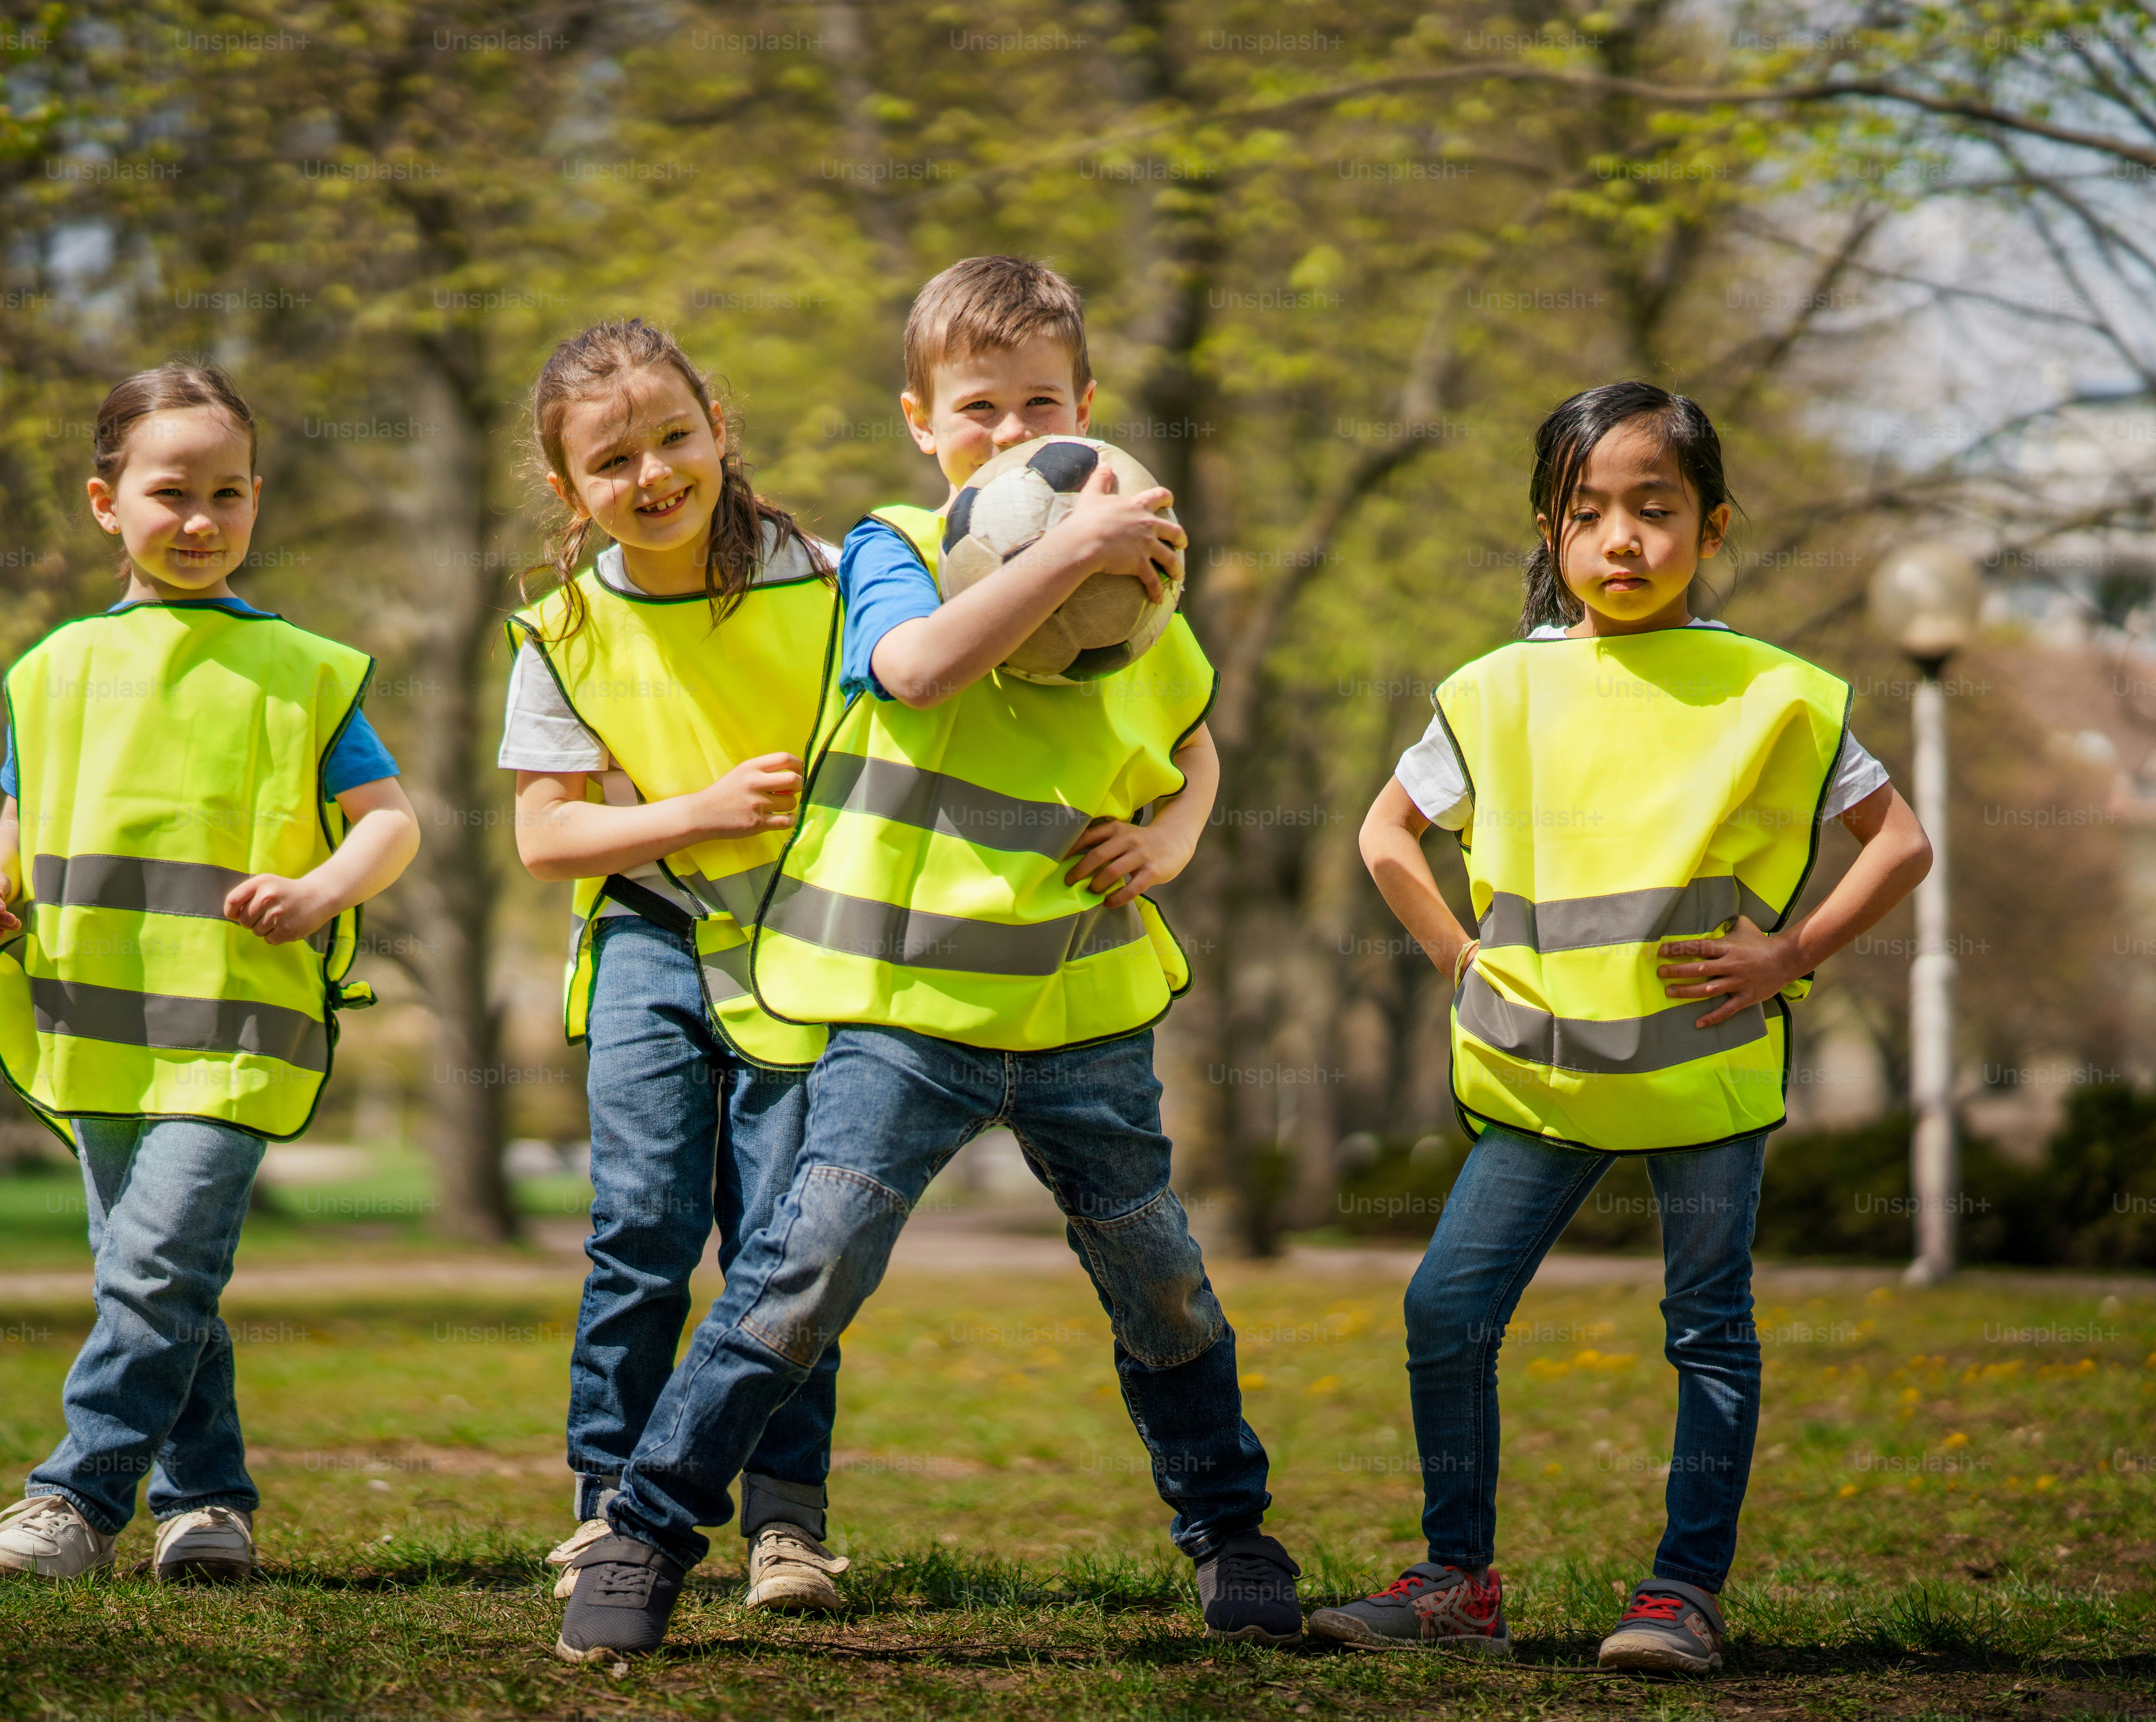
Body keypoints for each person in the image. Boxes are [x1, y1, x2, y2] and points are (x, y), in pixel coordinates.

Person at [552, 257, 1305, 1660]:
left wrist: (1179, 838)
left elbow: (1192, 732)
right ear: (919, 419)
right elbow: (912, 671)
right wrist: (1070, 554)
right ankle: (649, 1528)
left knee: (1159, 1283)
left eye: (1039, 405)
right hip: (905, 1014)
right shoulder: (891, 545)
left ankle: (1230, 1530)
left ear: (1087, 408)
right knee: (800, 1265)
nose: (1010, 437)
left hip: (1081, 1006)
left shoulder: (1140, 556)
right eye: (976, 409)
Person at [1310, 380, 1933, 1673]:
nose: (1621, 539)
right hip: (1540, 1074)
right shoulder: (1492, 693)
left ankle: (1679, 1596)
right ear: (1548, 535)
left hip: (1703, 1068)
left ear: (1712, 528)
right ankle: (1453, 1586)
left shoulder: (1776, 693)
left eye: (1654, 510)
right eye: (1584, 512)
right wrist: (1453, 954)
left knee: (1705, 1328)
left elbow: (1901, 843)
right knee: (1445, 1311)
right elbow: (1383, 833)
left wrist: (1790, 954)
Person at [0, 359, 419, 1587]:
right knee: (156, 1274)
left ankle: (75, 1498)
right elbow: (20, 815)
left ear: (259, 501)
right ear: (105, 503)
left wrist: (322, 892)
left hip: (239, 1030)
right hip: (92, 1029)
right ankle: (207, 1502)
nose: (203, 520)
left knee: (157, 1264)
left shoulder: (308, 671)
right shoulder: (51, 671)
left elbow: (392, 824)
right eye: (172, 494)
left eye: (229, 493)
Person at [504, 320, 855, 1619]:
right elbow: (547, 837)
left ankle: (785, 1524)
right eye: (610, 460)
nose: (649, 473)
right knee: (639, 1234)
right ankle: (606, 1504)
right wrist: (693, 815)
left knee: (785, 1246)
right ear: (567, 487)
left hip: (815, 951)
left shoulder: (829, 576)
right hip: (650, 938)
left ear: (717, 425)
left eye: (670, 437)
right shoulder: (560, 631)